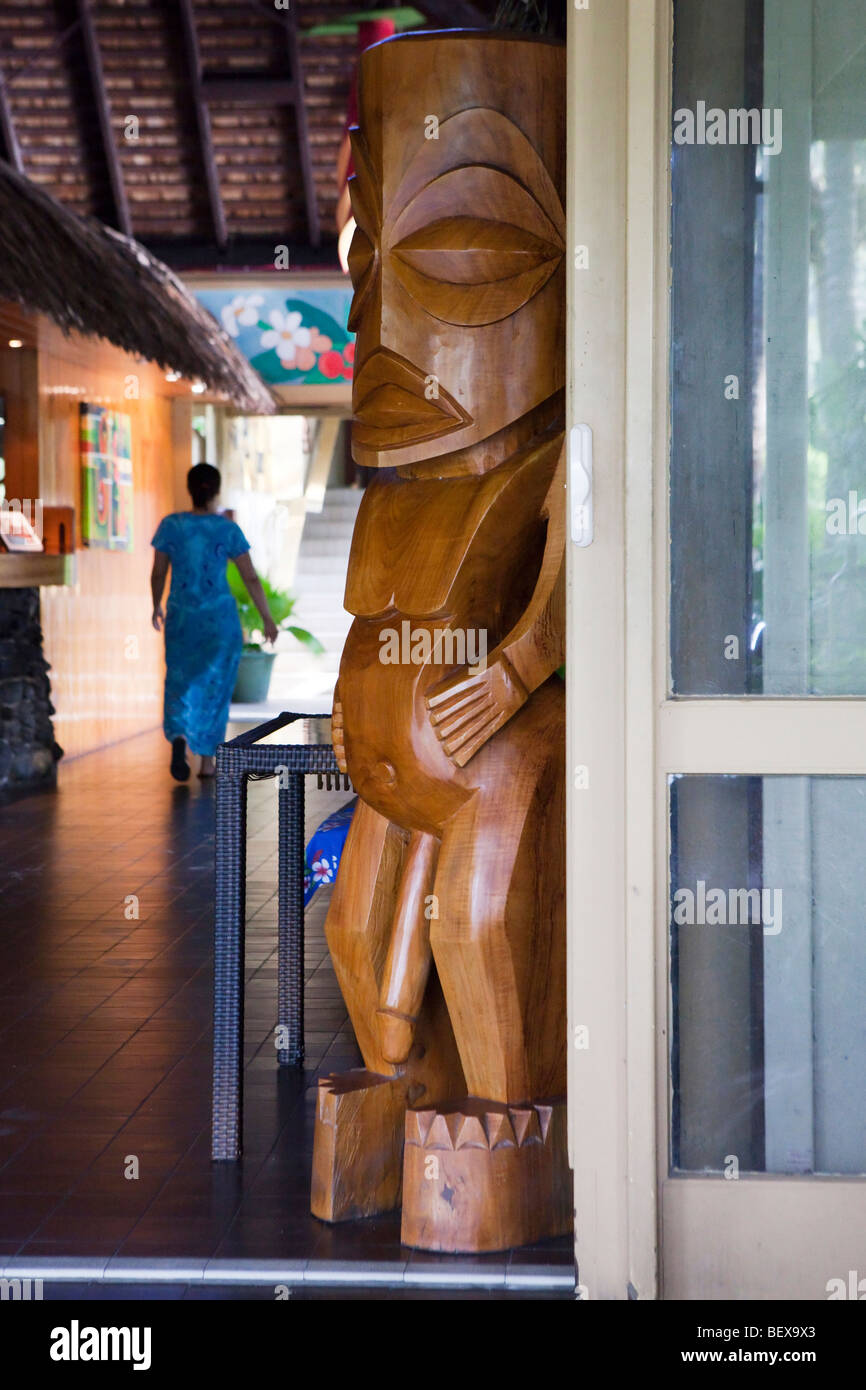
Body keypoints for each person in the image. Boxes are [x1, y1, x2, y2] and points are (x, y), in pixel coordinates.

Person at [150, 463, 278, 781]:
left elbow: (158, 573)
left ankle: (179, 737)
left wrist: (155, 605)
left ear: (190, 489)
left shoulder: (171, 525)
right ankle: (207, 763)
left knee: (179, 680)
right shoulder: (226, 529)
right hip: (219, 622)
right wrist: (267, 618)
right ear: (217, 491)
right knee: (216, 687)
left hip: (182, 616)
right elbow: (249, 576)